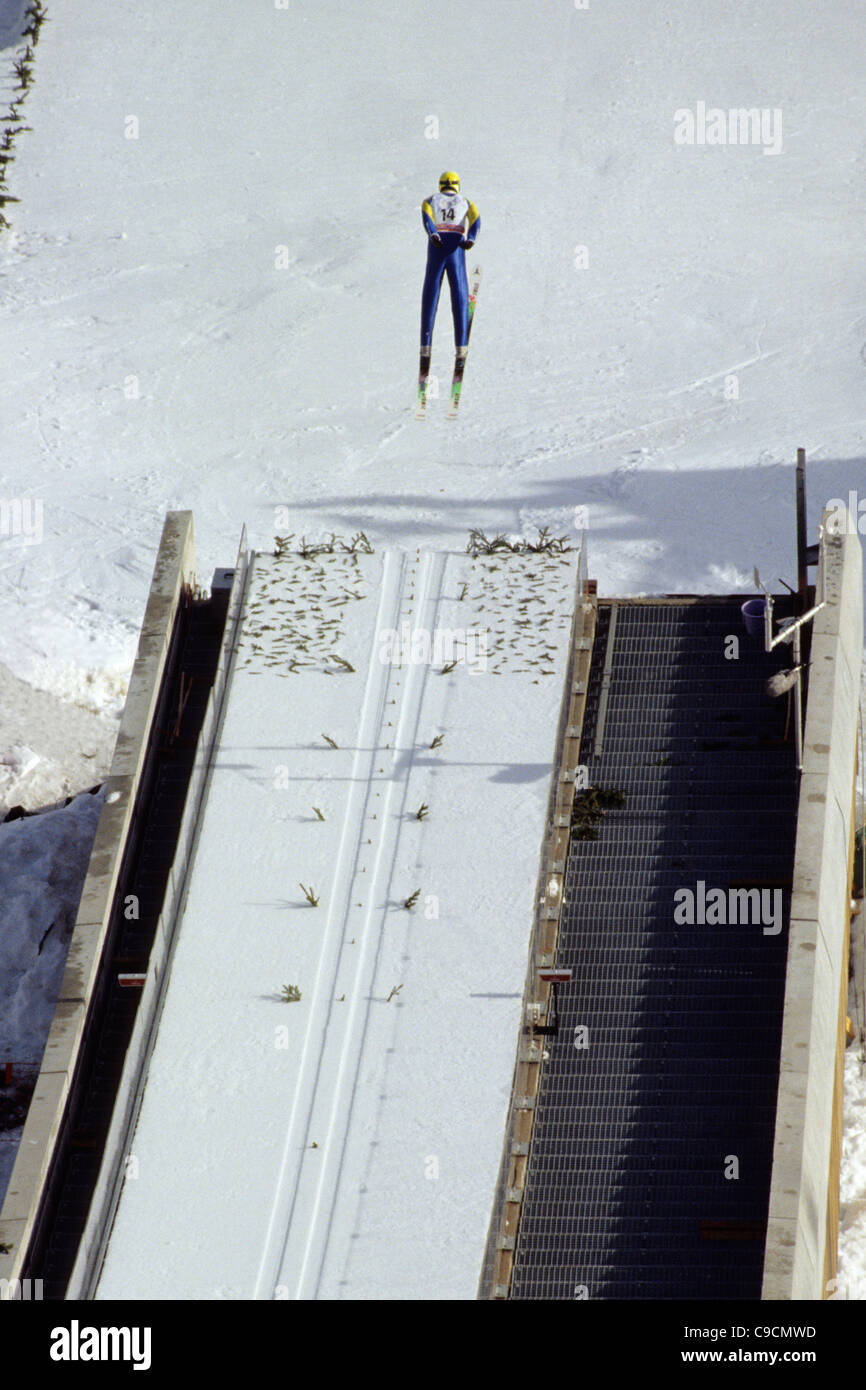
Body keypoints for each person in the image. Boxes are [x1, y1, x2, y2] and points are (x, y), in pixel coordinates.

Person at [419, 172, 481, 354]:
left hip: (437, 248)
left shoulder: (430, 200)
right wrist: (470, 239)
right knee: (459, 293)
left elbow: (427, 220)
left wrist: (434, 234)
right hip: (456, 248)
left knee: (431, 293)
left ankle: (425, 344)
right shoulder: (466, 201)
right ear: (457, 185)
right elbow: (476, 222)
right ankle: (461, 345)